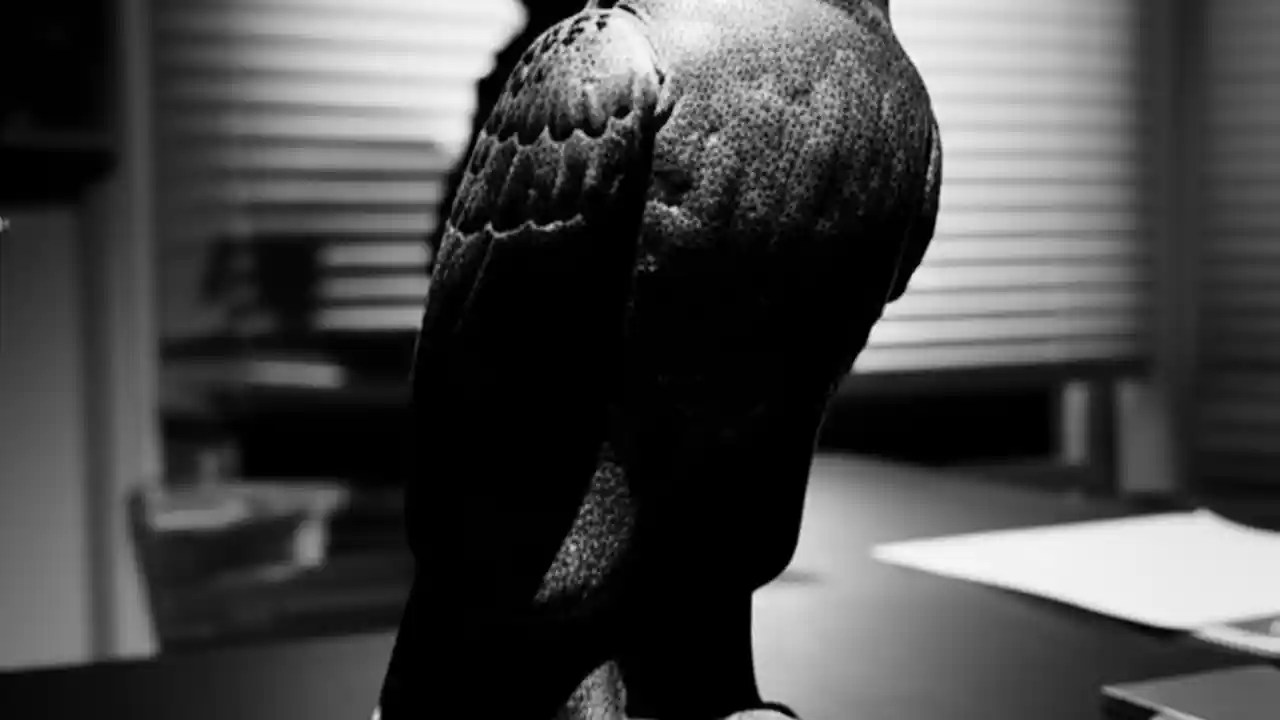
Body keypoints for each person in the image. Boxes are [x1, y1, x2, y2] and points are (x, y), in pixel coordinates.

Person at [380, 1, 939, 718]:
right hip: (533, 566)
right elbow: (487, 378)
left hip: (710, 553)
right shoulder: (610, 56)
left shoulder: (900, 110)